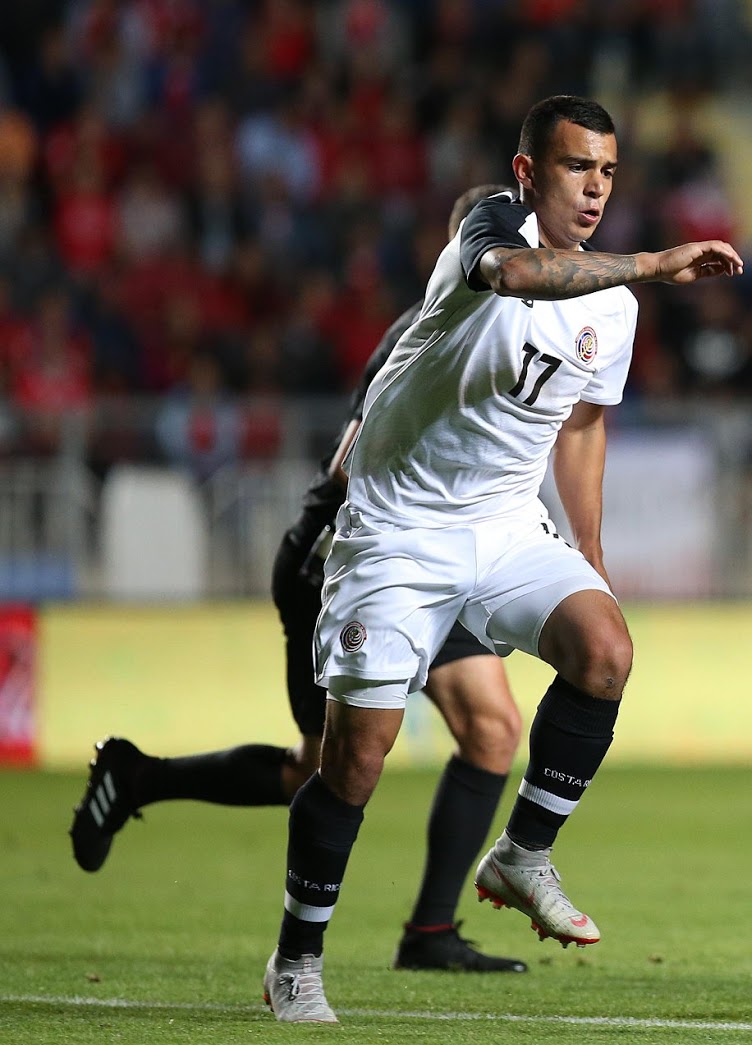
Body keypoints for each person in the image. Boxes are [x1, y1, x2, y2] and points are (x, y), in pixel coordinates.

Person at [261, 95, 742, 1023]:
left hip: (505, 525)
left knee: (605, 650)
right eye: (575, 168)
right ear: (529, 173)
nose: (595, 187)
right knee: (355, 759)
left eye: (607, 170)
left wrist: (589, 558)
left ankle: (521, 854)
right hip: (398, 530)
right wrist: (652, 260)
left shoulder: (615, 305)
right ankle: (296, 958)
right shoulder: (485, 235)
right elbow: (518, 274)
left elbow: (585, 425)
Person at [70, 184, 533, 974]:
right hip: (347, 555)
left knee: (490, 730)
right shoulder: (428, 331)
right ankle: (139, 777)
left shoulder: (518, 331)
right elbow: (349, 461)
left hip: (422, 556)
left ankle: (428, 933)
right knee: (320, 771)